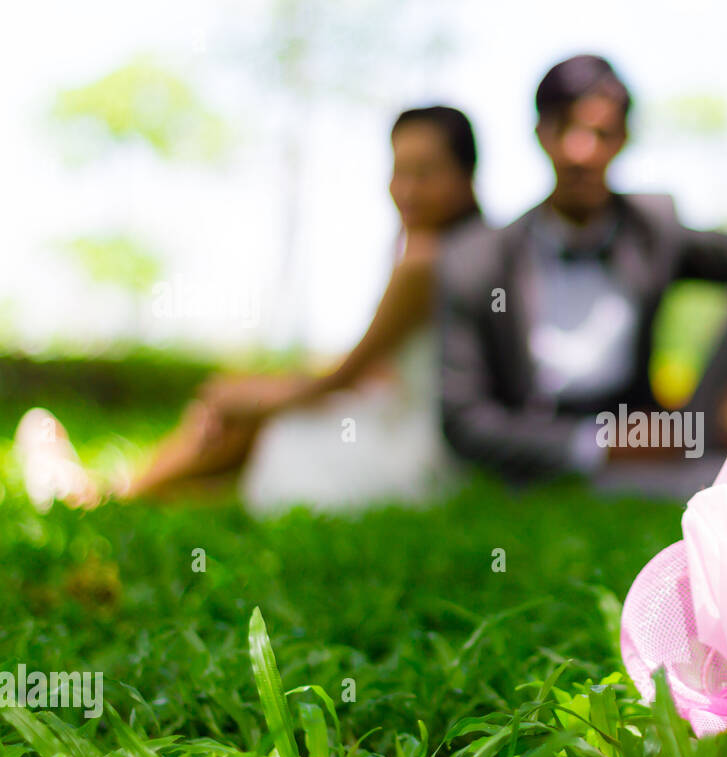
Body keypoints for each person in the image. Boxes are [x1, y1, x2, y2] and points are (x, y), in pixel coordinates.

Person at [17, 105, 482, 513]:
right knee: (247, 439)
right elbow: (382, 368)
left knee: (250, 419)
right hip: (435, 449)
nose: (407, 190)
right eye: (399, 172)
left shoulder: (423, 264)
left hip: (410, 450)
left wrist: (252, 395)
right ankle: (115, 495)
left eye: (425, 173)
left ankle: (102, 497)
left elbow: (346, 375)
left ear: (465, 177)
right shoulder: (472, 252)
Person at [437, 54, 727, 489]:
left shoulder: (653, 230)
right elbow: (464, 423)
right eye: (564, 129)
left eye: (601, 133)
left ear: (623, 140)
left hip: (663, 443)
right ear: (540, 135)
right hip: (540, 453)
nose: (581, 152)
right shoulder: (476, 260)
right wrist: (594, 444)